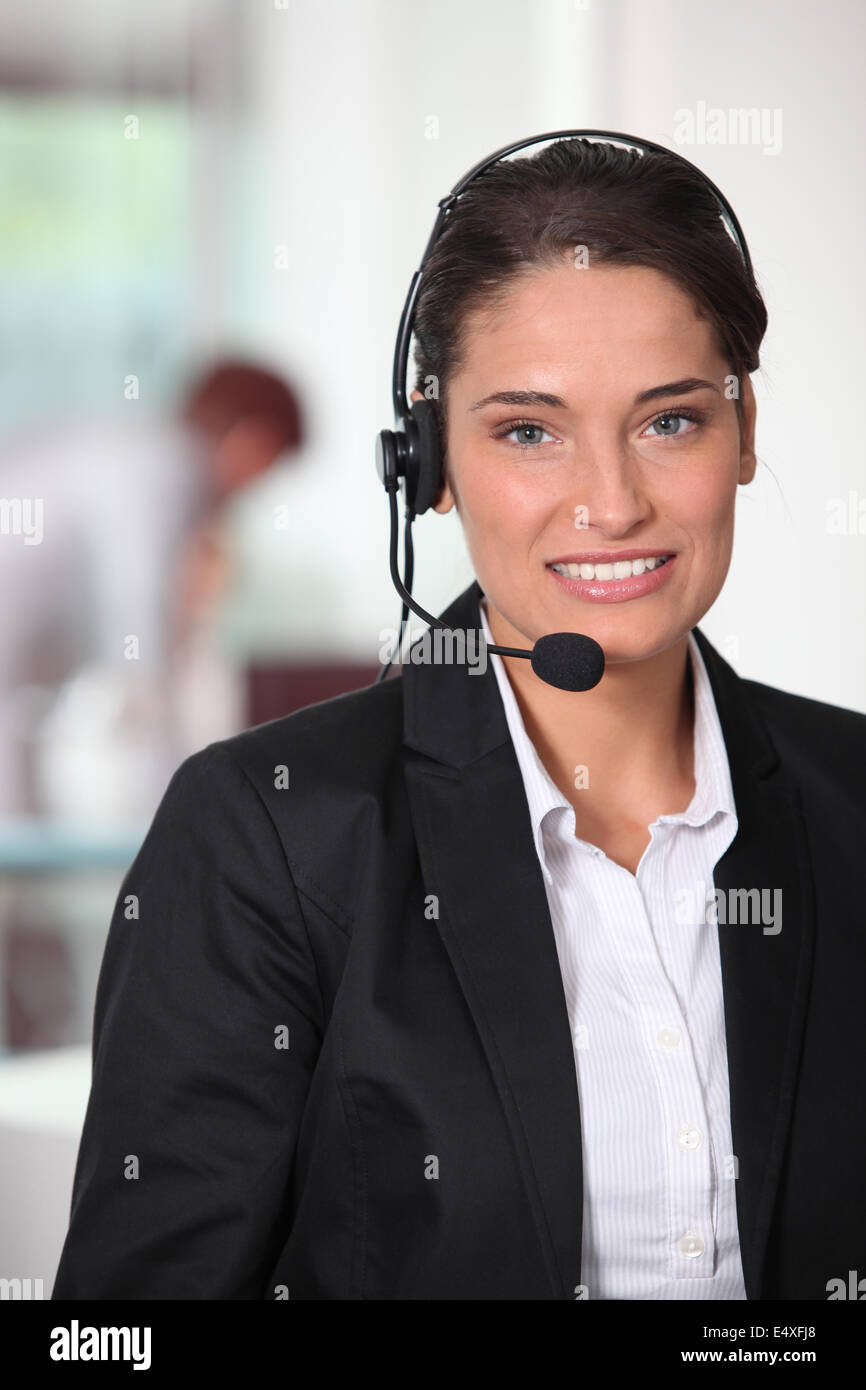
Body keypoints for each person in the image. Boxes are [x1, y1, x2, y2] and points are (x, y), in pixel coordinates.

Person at [51, 136, 866, 1301]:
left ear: (741, 436)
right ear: (428, 466)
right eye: (527, 430)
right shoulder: (266, 837)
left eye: (668, 420)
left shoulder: (852, 799)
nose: (611, 502)